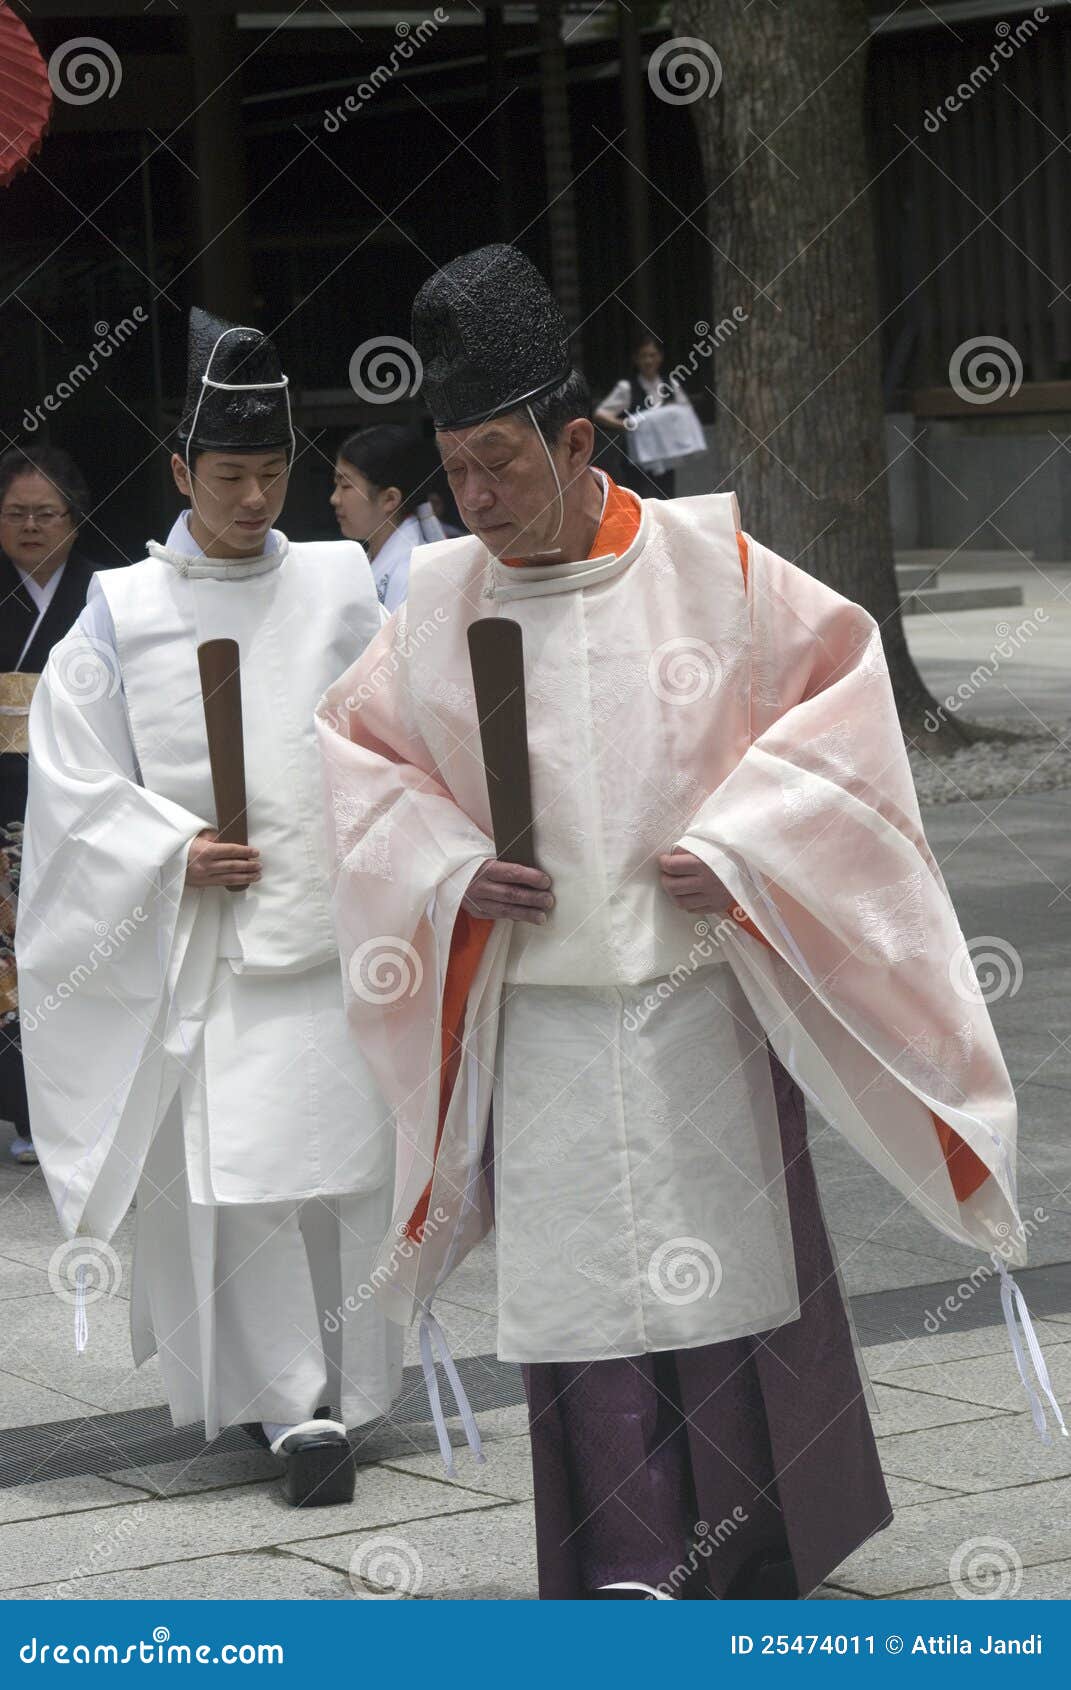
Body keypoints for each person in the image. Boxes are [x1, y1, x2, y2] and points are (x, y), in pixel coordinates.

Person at [316, 244, 1061, 1597]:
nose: (474, 500)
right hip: (537, 1002)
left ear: (576, 435)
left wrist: (743, 845)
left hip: (691, 996)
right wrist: (441, 865)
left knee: (717, 1280)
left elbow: (839, 704)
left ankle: (737, 1552)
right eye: (455, 471)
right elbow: (357, 759)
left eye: (502, 461)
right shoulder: (438, 600)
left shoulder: (707, 565)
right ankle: (622, 1559)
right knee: (581, 1294)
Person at [17, 308, 404, 1507]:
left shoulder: (340, 582)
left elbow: (396, 735)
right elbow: (71, 776)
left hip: (334, 932)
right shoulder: (125, 609)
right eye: (230, 475)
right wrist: (172, 847)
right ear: (183, 470)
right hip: (209, 950)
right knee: (242, 1178)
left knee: (348, 1167)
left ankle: (350, 1378)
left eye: (275, 473)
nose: (254, 499)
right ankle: (290, 1406)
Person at [0, 446, 97, 1166]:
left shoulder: (105, 594)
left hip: (74, 797)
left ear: (75, 516)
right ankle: (21, 1110)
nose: (31, 527)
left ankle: (78, 1105)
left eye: (45, 512)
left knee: (74, 954)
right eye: (15, 513)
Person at [331, 425, 445, 611]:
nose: (334, 498)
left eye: (345, 485)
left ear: (390, 499)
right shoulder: (381, 559)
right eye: (336, 484)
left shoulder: (413, 571)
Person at [594, 333, 702, 498]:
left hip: (665, 455)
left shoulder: (670, 384)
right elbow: (600, 414)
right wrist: (625, 424)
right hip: (636, 459)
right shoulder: (627, 388)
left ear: (660, 358)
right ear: (636, 359)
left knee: (667, 499)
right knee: (640, 500)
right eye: (643, 356)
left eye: (652, 355)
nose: (648, 361)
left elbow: (685, 410)